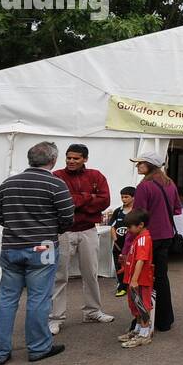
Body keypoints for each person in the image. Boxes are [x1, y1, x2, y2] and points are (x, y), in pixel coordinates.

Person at [0, 141, 74, 365]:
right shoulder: (56, 184)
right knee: (39, 298)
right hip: (43, 246)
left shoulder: (8, 183)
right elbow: (68, 217)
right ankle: (38, 347)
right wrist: (51, 229)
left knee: (7, 299)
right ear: (53, 160)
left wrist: (17, 228)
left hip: (11, 247)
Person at [49, 143, 114, 334]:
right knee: (60, 275)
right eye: (68, 157)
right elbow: (59, 201)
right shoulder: (57, 176)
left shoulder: (96, 175)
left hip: (88, 230)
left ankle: (93, 311)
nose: (71, 161)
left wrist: (75, 199)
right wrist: (88, 197)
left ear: (85, 159)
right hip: (64, 231)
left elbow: (105, 200)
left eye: (75, 158)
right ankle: (55, 317)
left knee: (91, 273)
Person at [130, 150, 181, 333]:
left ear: (149, 165)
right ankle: (165, 320)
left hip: (148, 237)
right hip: (166, 235)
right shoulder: (170, 183)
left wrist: (128, 245)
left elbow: (137, 217)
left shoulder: (144, 186)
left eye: (140, 163)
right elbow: (177, 209)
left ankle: (142, 320)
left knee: (143, 279)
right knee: (161, 278)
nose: (137, 166)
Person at [116, 210, 155, 348]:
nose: (128, 230)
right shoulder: (138, 238)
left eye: (130, 227)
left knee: (142, 305)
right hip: (133, 278)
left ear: (140, 225)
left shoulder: (144, 239)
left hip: (141, 280)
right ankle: (138, 329)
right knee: (134, 305)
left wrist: (135, 279)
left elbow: (141, 260)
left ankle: (144, 334)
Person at [109, 186, 136, 297]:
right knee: (119, 267)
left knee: (133, 265)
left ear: (133, 197)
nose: (124, 199)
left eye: (126, 197)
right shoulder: (118, 211)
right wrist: (115, 240)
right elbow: (112, 227)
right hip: (118, 246)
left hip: (132, 246)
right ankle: (122, 287)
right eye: (122, 197)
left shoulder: (136, 212)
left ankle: (133, 285)